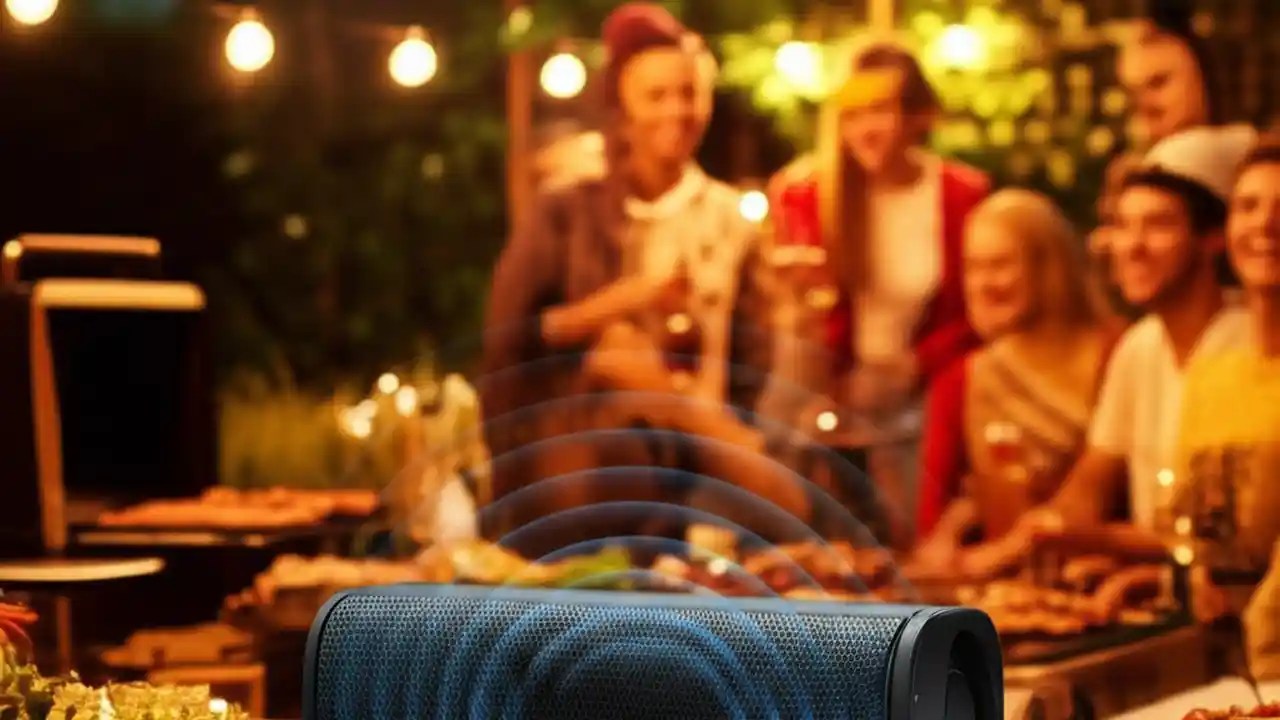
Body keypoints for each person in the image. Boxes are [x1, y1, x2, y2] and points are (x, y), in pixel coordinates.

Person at [480, 3, 803, 551]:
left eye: (688, 93)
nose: (676, 110)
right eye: (656, 95)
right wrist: (624, 304)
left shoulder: (731, 218)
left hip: (701, 480)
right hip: (582, 479)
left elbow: (753, 366)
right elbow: (509, 341)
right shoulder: (568, 209)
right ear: (622, 108)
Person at [962, 124, 1257, 577]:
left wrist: (1081, 539)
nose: (1133, 247)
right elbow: (1088, 486)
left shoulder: (1244, 343)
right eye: (1122, 226)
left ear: (1211, 238)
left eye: (1158, 225)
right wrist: (1028, 537)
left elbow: (1215, 533)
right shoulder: (1140, 346)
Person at [768, 41, 990, 544]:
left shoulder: (960, 194)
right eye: (854, 114)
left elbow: (976, 315)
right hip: (830, 389)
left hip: (922, 392)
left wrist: (912, 366)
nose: (865, 129)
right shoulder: (804, 193)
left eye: (881, 110)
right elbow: (802, 311)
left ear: (915, 116)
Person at [913, 190, 1115, 562]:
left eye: (1001, 264)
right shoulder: (959, 380)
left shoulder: (1117, 353)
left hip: (1108, 579)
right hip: (1000, 594)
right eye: (974, 267)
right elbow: (932, 536)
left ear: (1048, 267)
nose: (984, 283)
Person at [1172, 136, 1280, 613]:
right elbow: (1195, 533)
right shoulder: (1211, 375)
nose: (1265, 223)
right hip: (1222, 652)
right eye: (1248, 206)